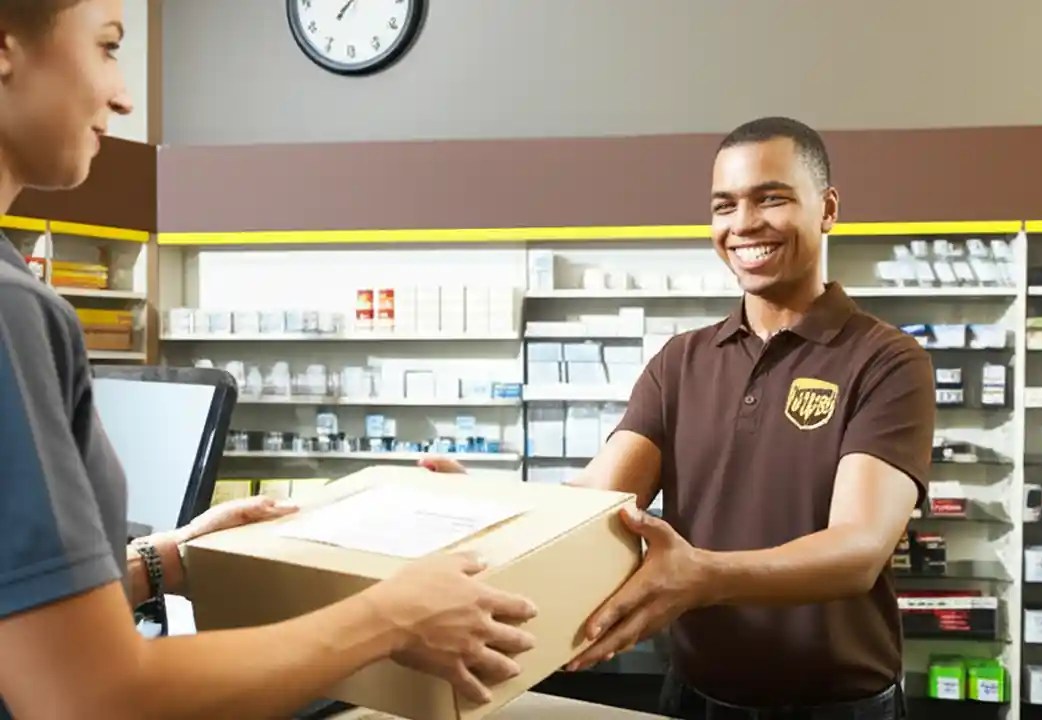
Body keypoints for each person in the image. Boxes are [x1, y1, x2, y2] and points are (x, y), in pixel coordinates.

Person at [0, 2, 537, 718]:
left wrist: (171, 560)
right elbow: (95, 695)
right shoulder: (13, 309)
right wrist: (392, 617)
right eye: (106, 47)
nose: (123, 94)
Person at [424, 116, 935, 719]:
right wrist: (487, 510)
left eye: (771, 199)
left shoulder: (887, 360)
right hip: (694, 696)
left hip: (839, 706)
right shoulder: (682, 361)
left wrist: (706, 575)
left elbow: (859, 549)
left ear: (827, 208)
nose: (744, 224)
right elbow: (595, 500)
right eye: (725, 205)